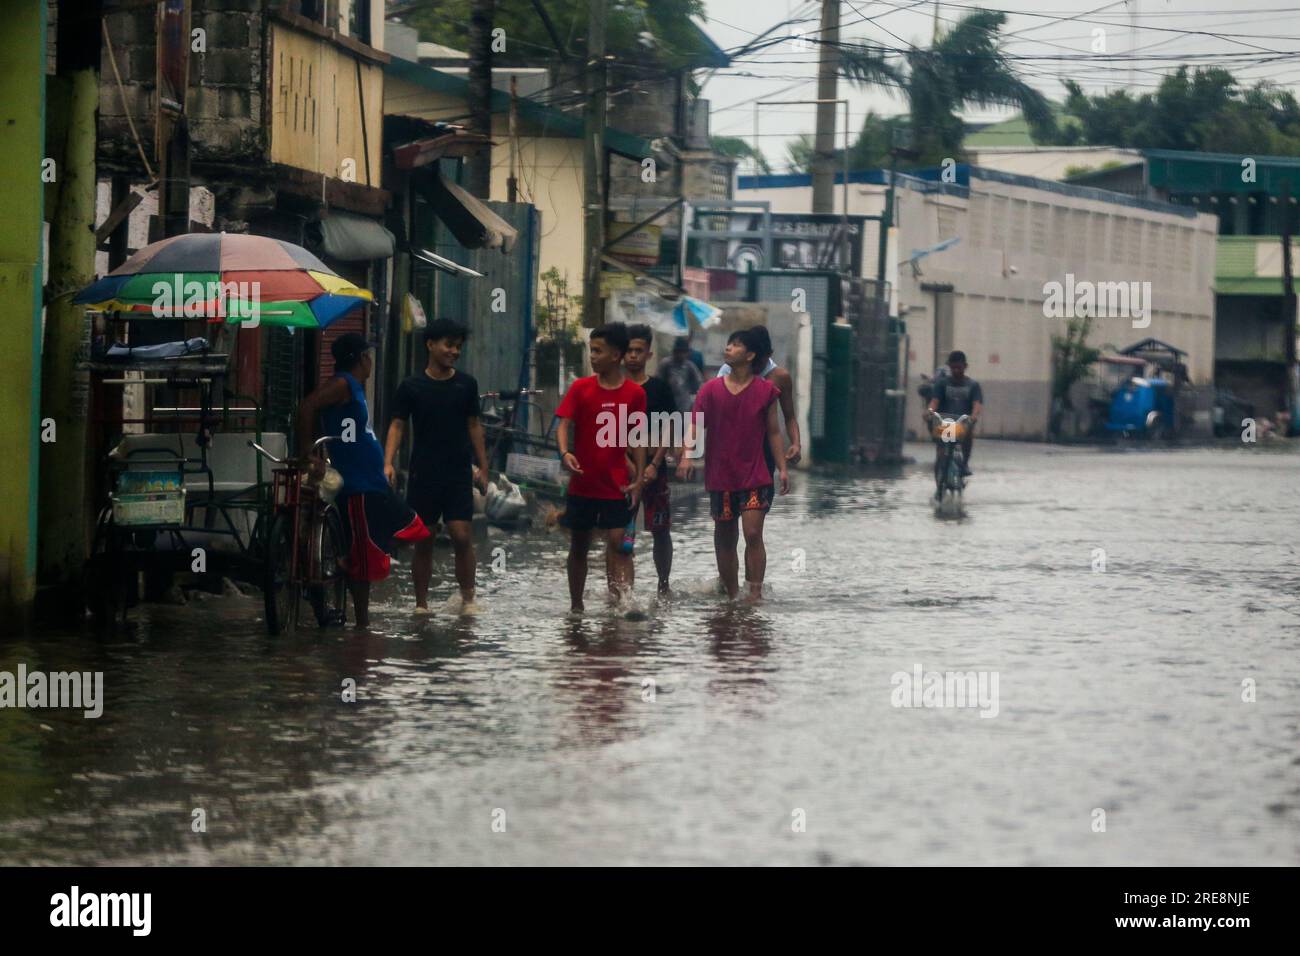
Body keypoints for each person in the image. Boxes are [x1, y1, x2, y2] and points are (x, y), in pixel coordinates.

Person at [297, 332, 430, 629]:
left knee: (414, 531)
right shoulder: (342, 383)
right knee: (365, 557)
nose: (370, 361)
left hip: (372, 482)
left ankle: (350, 573)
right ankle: (362, 627)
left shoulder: (353, 386)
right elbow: (307, 407)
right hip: (358, 485)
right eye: (368, 356)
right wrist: (309, 453)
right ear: (361, 359)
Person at [385, 318, 489, 616]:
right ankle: (421, 604)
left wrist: (483, 466)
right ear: (430, 345)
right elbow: (397, 426)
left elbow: (474, 426)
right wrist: (388, 462)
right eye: (448, 345)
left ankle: (468, 599)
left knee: (461, 535)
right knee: (424, 539)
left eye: (458, 347)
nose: (454, 351)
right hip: (423, 472)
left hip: (458, 471)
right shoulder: (411, 386)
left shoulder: (466, 385)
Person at [677, 329, 788, 602]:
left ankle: (755, 593)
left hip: (755, 474)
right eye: (729, 344)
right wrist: (687, 455)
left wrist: (782, 467)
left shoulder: (766, 391)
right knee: (725, 536)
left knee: (752, 532)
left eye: (736, 345)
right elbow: (695, 424)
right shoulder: (709, 390)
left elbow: (774, 432)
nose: (728, 348)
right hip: (721, 474)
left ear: (750, 355)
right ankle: (731, 594)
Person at [556, 323, 647, 613]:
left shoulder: (634, 394)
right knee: (579, 545)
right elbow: (564, 424)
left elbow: (638, 438)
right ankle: (576, 606)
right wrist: (565, 452)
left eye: (598, 351)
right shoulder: (580, 388)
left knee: (620, 542)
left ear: (616, 355)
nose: (592, 356)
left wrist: (640, 479)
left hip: (616, 484)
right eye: (590, 350)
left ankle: (624, 602)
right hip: (582, 484)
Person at [624, 323, 677, 594]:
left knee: (660, 528)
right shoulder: (615, 388)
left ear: (649, 355)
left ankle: (663, 584)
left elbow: (670, 428)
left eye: (639, 351)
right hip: (623, 469)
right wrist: (630, 465)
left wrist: (655, 464)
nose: (633, 355)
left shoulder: (659, 389)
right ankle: (623, 590)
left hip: (656, 469)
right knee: (622, 530)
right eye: (629, 350)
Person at [715, 325, 802, 468]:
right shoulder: (728, 370)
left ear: (769, 355)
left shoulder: (779, 377)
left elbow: (789, 417)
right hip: (731, 441)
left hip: (762, 445)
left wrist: (796, 444)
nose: (754, 367)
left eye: (759, 361)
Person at [926, 349, 984, 482]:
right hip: (944, 424)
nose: (956, 370)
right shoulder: (942, 384)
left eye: (959, 367)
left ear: (965, 366)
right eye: (953, 368)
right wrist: (929, 412)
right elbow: (934, 401)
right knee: (940, 451)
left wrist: (973, 417)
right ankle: (939, 481)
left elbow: (977, 404)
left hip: (963, 424)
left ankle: (964, 464)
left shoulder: (973, 385)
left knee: (968, 435)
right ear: (949, 367)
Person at [657, 335, 703, 416]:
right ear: (674, 351)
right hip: (667, 405)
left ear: (687, 353)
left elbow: (698, 383)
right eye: (679, 351)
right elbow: (657, 382)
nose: (681, 355)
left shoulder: (690, 366)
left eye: (683, 352)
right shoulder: (666, 364)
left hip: (684, 406)